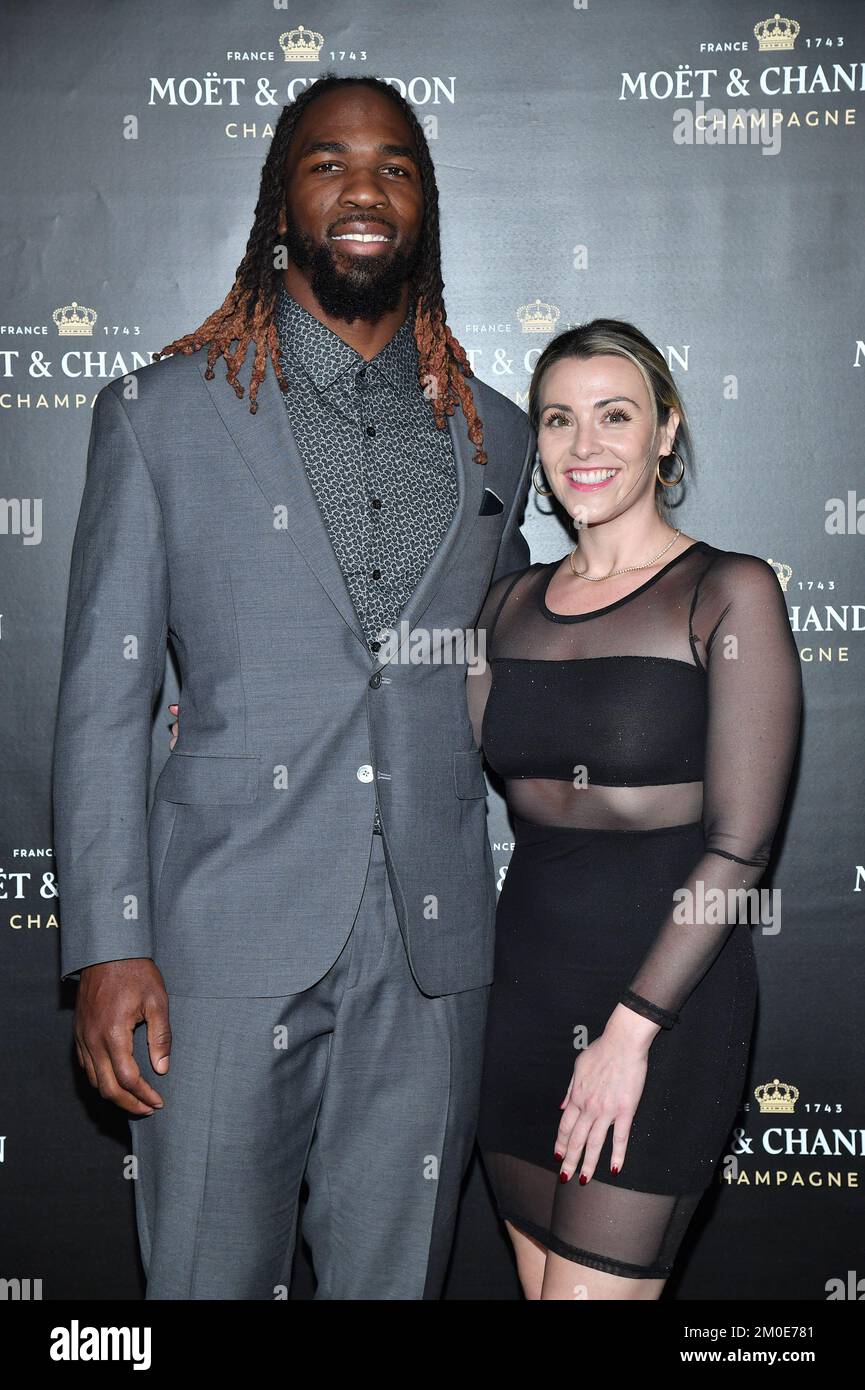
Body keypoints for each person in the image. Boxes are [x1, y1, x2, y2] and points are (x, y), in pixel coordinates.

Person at [51, 73, 534, 1300]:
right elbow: (105, 700)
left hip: (431, 955)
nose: (364, 187)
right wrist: (108, 945)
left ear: (425, 209)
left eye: (396, 166)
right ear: (282, 201)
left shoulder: (497, 433)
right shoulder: (160, 415)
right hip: (220, 940)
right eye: (329, 162)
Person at [466, 319, 802, 1300]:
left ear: (665, 430)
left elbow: (740, 849)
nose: (585, 446)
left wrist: (629, 1033)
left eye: (614, 416)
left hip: (661, 1014)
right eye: (559, 420)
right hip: (518, 1003)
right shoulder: (504, 607)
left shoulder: (723, 593)